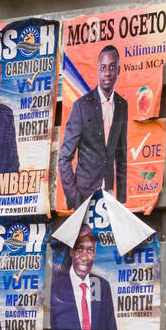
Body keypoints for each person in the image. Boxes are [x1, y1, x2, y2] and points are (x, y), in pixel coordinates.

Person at [58, 45, 126, 209]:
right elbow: (64, 157)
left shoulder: (122, 105)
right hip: (84, 195)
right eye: (103, 68)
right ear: (97, 70)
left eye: (112, 67)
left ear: (119, 69)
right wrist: (74, 197)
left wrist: (122, 200)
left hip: (109, 196)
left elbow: (121, 156)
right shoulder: (81, 106)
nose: (107, 73)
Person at [50, 226, 122, 330]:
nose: (84, 256)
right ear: (71, 251)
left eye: (90, 250)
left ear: (94, 254)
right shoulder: (56, 289)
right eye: (79, 249)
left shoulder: (102, 285)